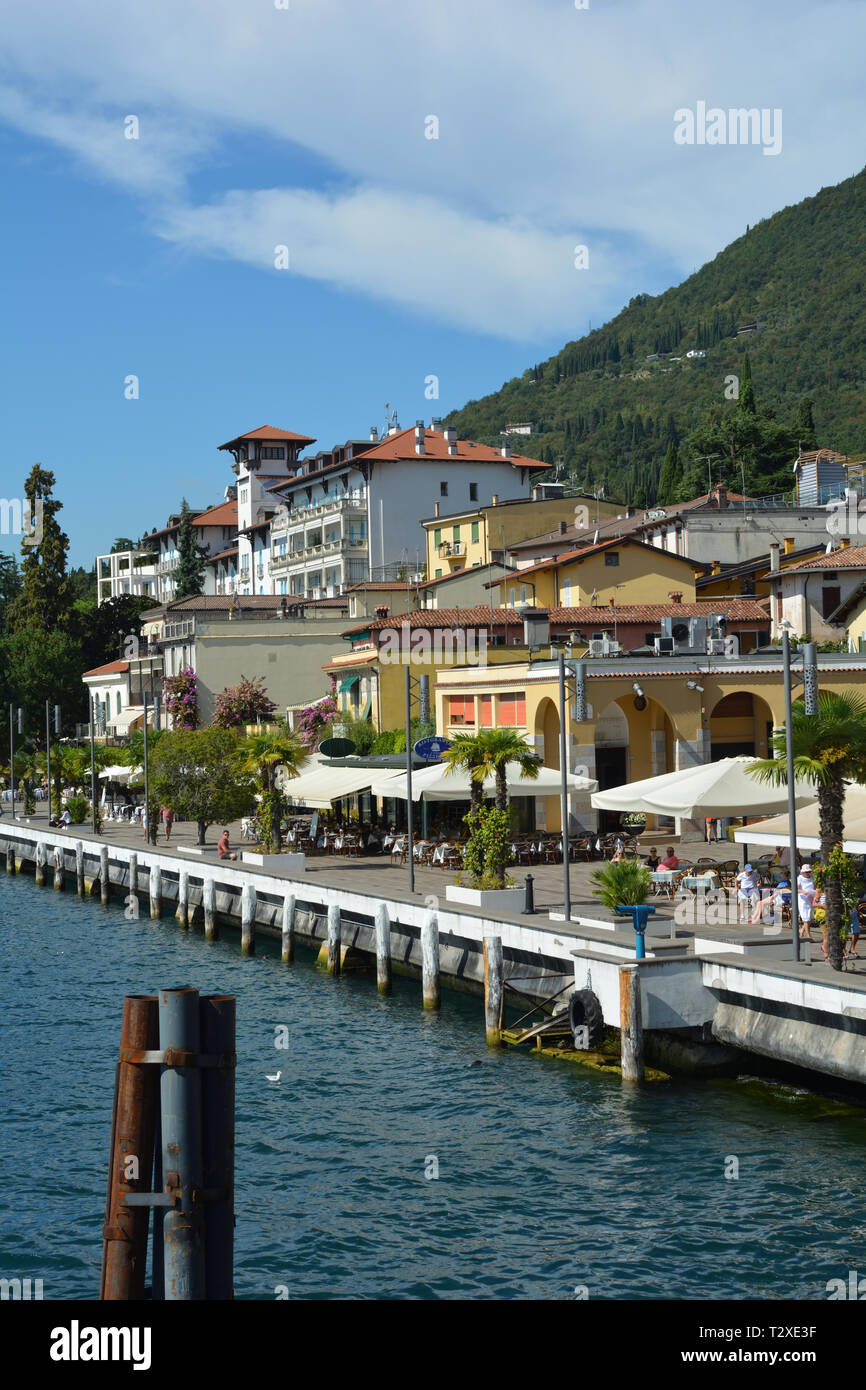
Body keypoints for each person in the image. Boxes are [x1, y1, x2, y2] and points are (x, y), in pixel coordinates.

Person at [796, 863, 817, 942]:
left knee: (811, 918)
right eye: (806, 872)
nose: (808, 873)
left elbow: (814, 887)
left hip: (811, 897)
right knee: (806, 919)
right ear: (803, 872)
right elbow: (796, 889)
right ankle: (809, 936)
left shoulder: (812, 877)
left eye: (809, 872)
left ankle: (802, 930)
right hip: (803, 899)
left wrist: (814, 893)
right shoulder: (799, 878)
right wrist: (803, 892)